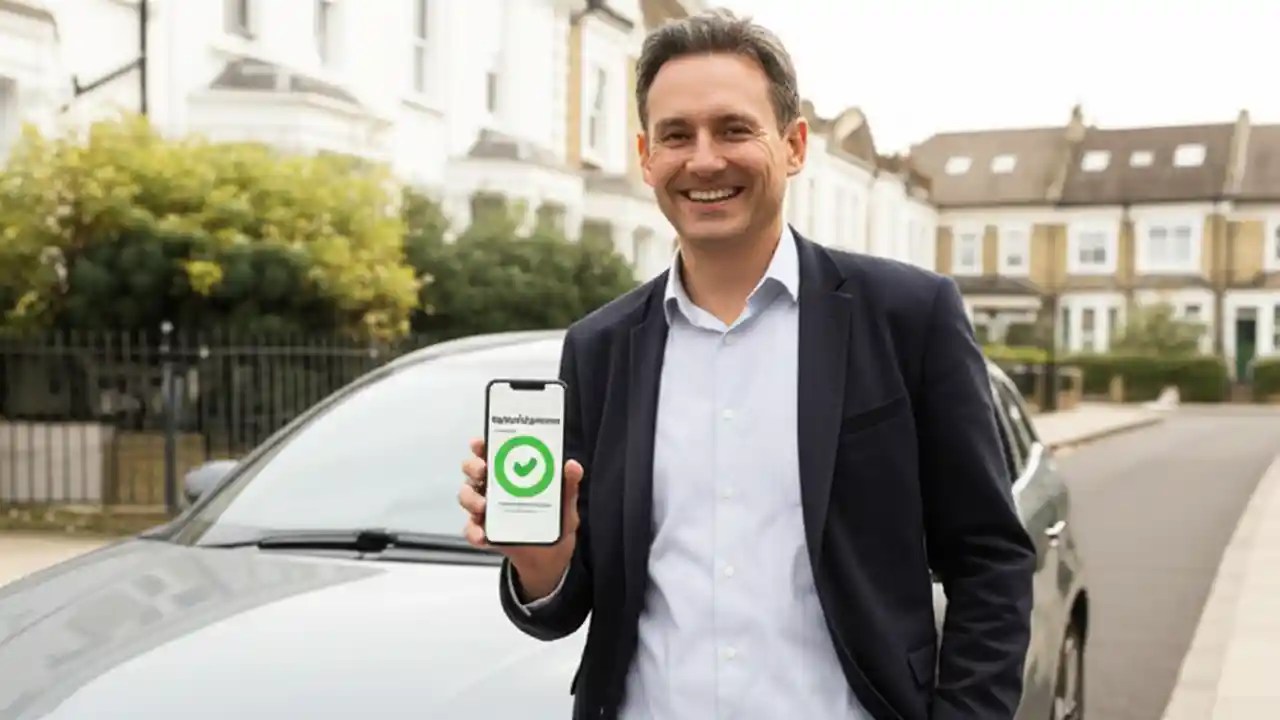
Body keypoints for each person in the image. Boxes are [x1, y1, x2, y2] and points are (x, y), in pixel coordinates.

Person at [458, 9, 1036, 720]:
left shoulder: (908, 317)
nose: (704, 161)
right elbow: (562, 606)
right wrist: (540, 562)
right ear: (646, 157)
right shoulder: (598, 348)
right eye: (676, 135)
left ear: (793, 145)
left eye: (734, 129)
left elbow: (989, 561)